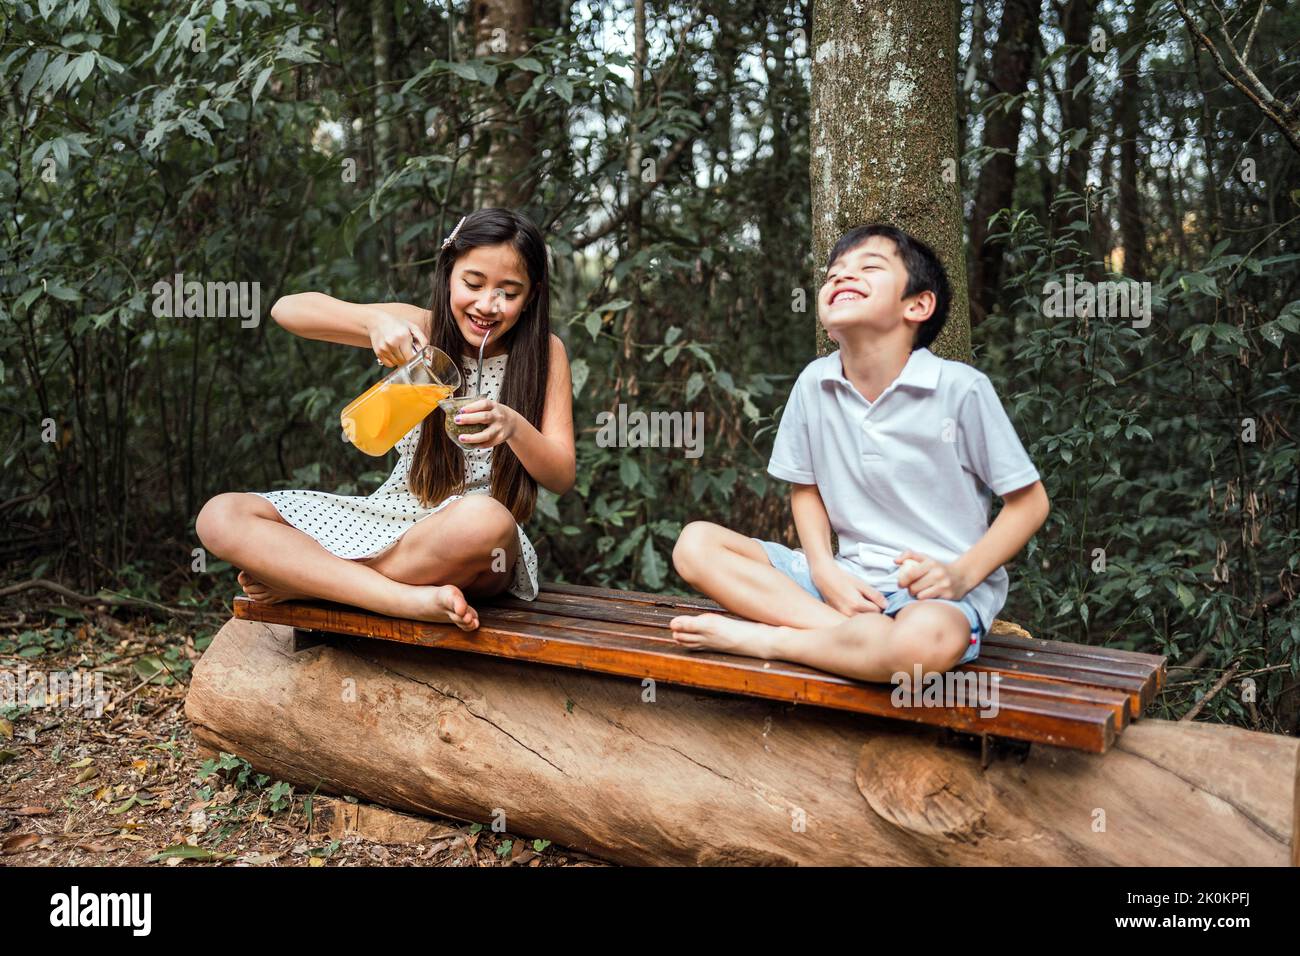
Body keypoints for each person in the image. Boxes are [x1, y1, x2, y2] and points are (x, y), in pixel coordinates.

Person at [669, 224, 1049, 682]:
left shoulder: (959, 389)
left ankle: (771, 641)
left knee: (919, 645)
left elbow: (1029, 504)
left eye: (869, 267)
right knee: (695, 545)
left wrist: (959, 577)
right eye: (833, 275)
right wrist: (823, 569)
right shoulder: (814, 383)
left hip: (932, 597)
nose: (842, 278)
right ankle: (857, 641)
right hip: (846, 585)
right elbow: (804, 488)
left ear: (918, 305)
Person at [196, 208, 575, 630]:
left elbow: (561, 476)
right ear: (449, 273)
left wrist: (514, 427)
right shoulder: (419, 328)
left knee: (485, 517)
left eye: (509, 291)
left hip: (473, 546)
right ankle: (402, 600)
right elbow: (287, 310)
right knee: (220, 515)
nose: (487, 304)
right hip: (387, 518)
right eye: (473, 283)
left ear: (533, 295)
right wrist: (374, 321)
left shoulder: (546, 353)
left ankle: (313, 581)